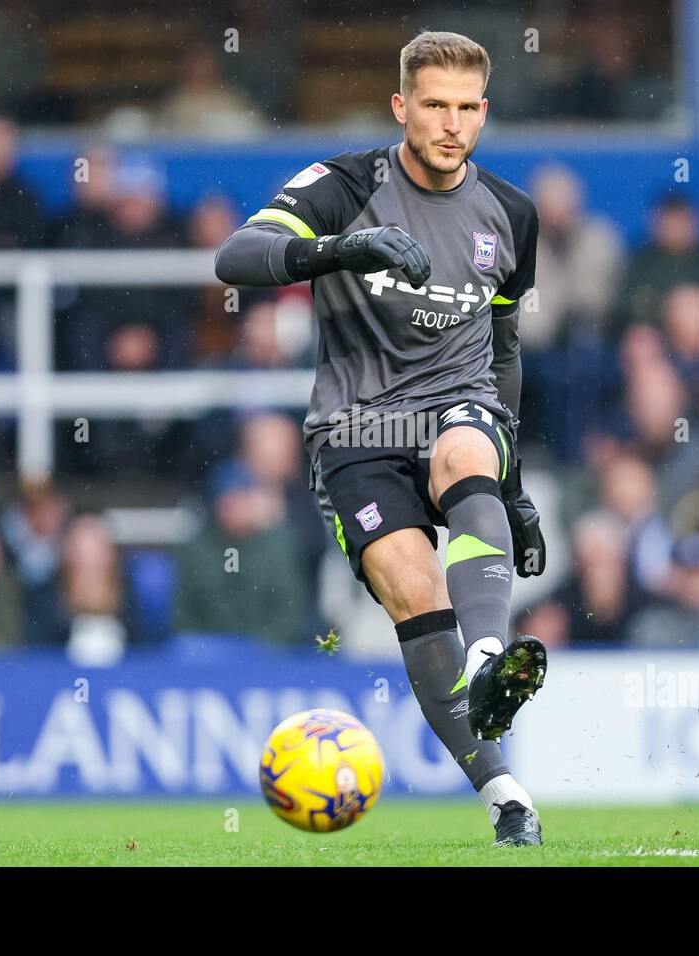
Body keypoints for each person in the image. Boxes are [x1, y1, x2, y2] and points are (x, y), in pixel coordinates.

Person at [215, 31, 546, 847]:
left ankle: (491, 655)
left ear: (484, 113)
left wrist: (514, 481)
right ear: (402, 106)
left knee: (466, 452)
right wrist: (342, 249)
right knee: (412, 589)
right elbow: (235, 257)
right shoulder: (344, 183)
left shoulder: (511, 215)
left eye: (468, 108)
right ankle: (505, 794)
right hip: (356, 430)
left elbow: (504, 352)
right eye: (434, 105)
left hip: (458, 405)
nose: (451, 124)